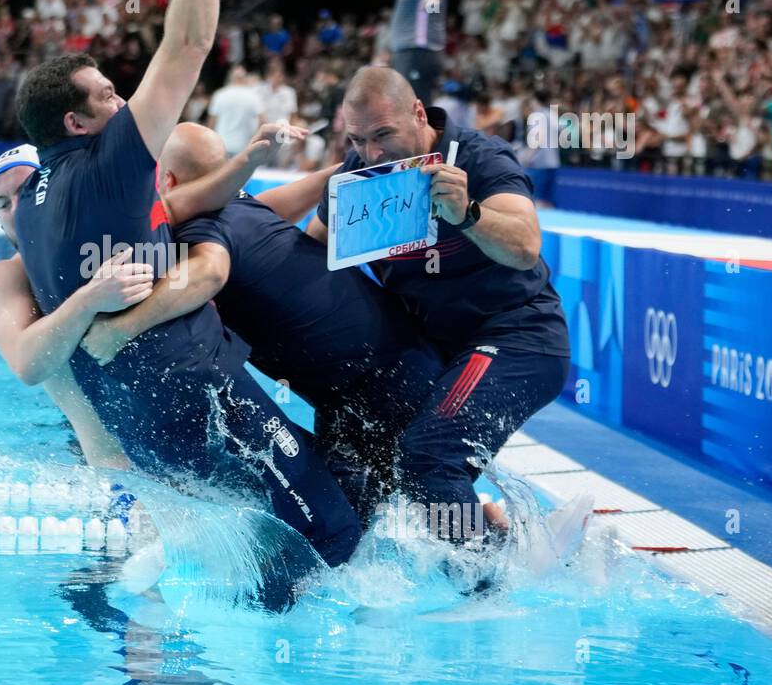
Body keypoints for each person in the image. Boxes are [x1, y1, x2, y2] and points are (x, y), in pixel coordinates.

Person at [11, 0, 365, 584]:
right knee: (332, 528)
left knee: (273, 523)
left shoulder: (32, 203)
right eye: (109, 95)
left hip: (138, 417)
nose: (125, 100)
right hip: (196, 391)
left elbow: (170, 211)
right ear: (77, 124)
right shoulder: (109, 162)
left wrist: (254, 164)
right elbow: (191, 41)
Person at [81, 122, 510, 539]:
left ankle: (496, 559)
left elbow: (208, 274)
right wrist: (343, 168)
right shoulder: (243, 204)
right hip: (380, 367)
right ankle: (495, 526)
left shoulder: (201, 229)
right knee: (364, 507)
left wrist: (120, 330)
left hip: (377, 380)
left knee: (358, 518)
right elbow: (297, 197)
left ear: (167, 180)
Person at [303, 67, 570, 541]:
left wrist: (468, 214)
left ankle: (484, 585)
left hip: (516, 338)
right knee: (355, 457)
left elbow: (526, 244)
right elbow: (312, 253)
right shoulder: (358, 178)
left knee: (430, 455)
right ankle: (496, 535)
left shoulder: (480, 158)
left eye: (383, 134)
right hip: (434, 351)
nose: (374, 153)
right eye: (358, 140)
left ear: (419, 114)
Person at [0, 145, 146, 469]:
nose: (15, 210)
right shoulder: (6, 279)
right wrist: (90, 299)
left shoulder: (116, 235)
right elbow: (28, 365)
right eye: (2, 204)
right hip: (100, 451)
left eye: (24, 192)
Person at [206, 65, 263, 156]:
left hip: (222, 146)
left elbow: (211, 125)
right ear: (244, 78)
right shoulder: (253, 96)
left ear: (230, 77)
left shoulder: (219, 95)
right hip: (244, 148)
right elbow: (262, 122)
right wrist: (254, 141)